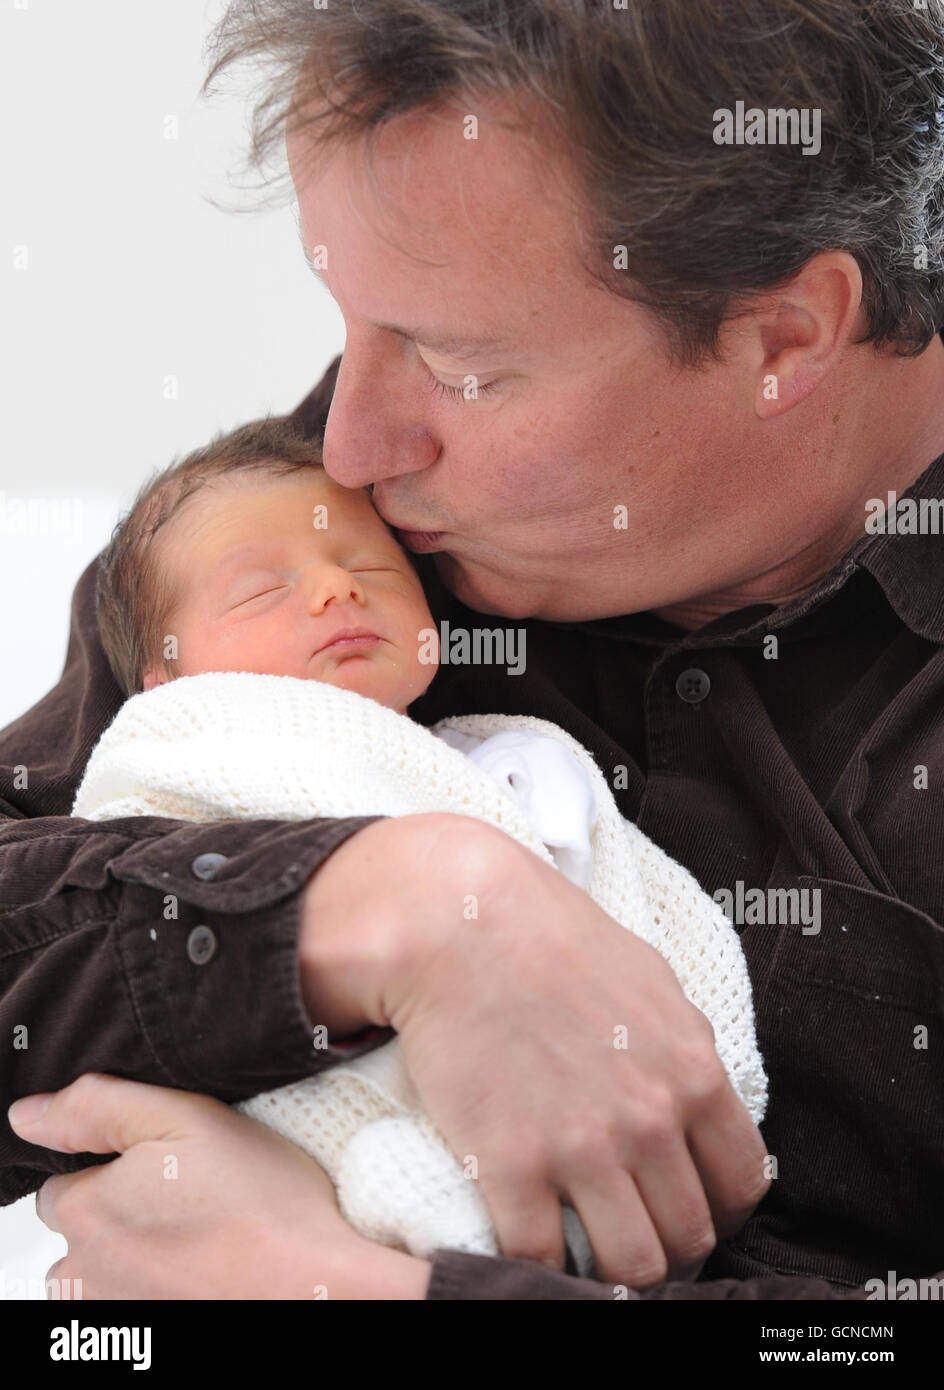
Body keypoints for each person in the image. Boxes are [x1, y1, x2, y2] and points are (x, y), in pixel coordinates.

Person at [3, 0, 944, 1300]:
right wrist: (380, 906)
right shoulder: (352, 524)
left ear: (782, 340)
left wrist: (357, 1286)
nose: (349, 447)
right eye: (350, 322)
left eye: (461, 367)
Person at [65, 414, 765, 1274]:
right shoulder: (181, 764)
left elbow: (625, 902)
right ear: (163, 681)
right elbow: (113, 902)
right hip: (286, 1115)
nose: (336, 591)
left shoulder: (510, 762)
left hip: (544, 1114)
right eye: (260, 591)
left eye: (368, 568)